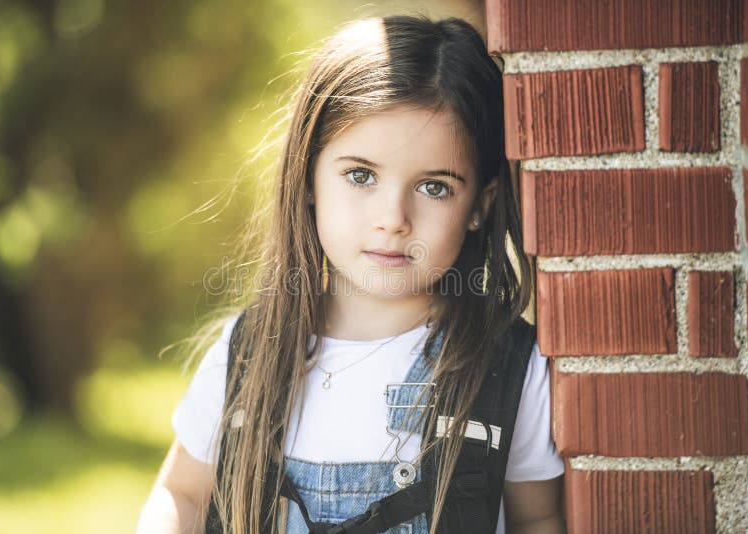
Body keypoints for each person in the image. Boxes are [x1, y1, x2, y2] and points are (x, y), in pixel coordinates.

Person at [137, 14, 565, 534]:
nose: (393, 218)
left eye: (434, 187)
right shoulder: (249, 354)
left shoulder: (508, 373)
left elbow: (537, 519)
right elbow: (181, 493)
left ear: (480, 203)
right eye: (361, 175)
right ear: (310, 176)